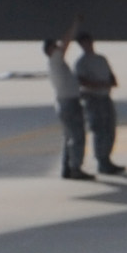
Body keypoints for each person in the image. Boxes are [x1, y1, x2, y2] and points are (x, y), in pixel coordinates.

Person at [72, 34, 125, 176]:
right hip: (93, 98)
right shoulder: (81, 63)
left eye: (88, 42)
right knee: (99, 129)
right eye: (84, 43)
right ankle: (102, 161)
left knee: (109, 128)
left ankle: (107, 158)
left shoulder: (101, 59)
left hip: (105, 96)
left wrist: (109, 83)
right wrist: (100, 85)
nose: (87, 45)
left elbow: (111, 75)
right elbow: (82, 81)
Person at [45, 36, 89, 180]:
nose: (58, 47)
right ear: (51, 50)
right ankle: (75, 168)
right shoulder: (55, 61)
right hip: (69, 104)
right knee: (77, 137)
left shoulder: (57, 63)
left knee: (70, 137)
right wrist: (75, 23)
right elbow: (66, 43)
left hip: (67, 102)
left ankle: (68, 168)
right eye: (55, 46)